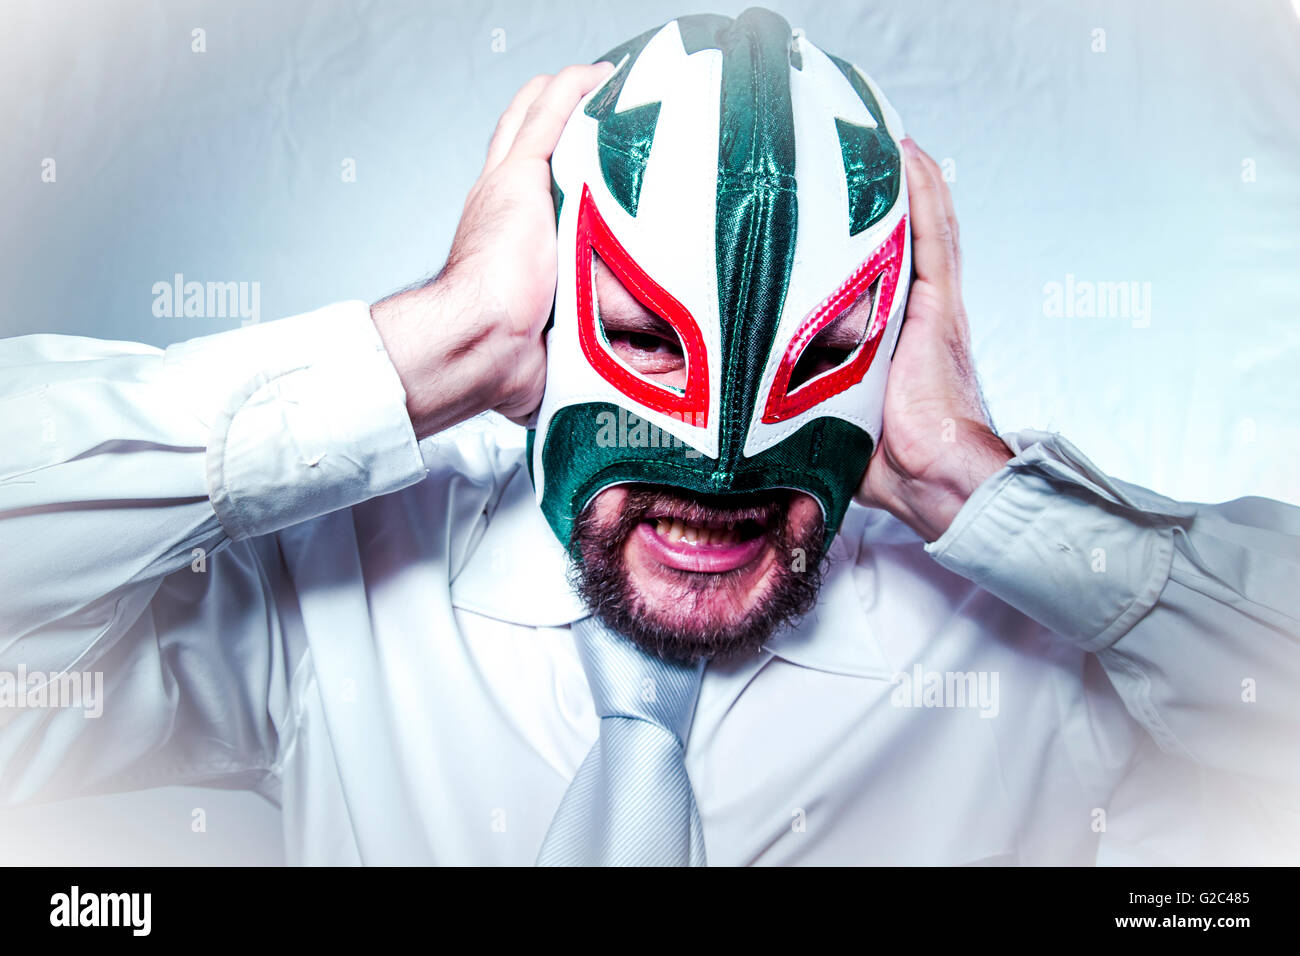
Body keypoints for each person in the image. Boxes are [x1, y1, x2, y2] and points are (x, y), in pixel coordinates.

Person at [0, 9, 1296, 866]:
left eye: (823, 353)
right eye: (650, 339)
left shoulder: (1040, 670)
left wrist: (972, 483)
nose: (721, 467)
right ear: (550, 304)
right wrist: (426, 352)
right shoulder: (323, 606)